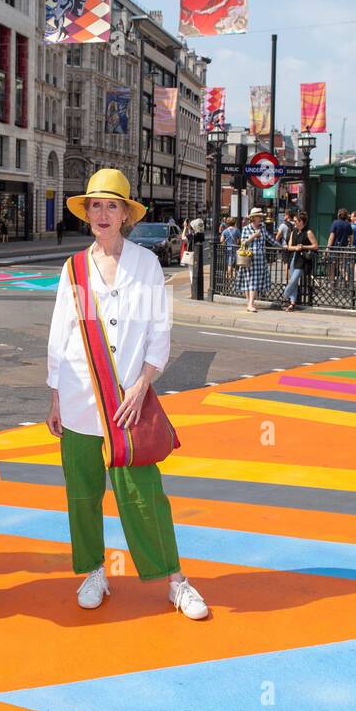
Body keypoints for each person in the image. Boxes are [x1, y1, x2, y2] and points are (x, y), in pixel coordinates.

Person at [46, 169, 209, 621]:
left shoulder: (147, 264)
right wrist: (55, 395)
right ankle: (94, 570)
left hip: (126, 403)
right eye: (94, 205)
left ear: (125, 215)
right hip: (79, 397)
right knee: (81, 492)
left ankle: (175, 580)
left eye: (111, 205)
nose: (102, 214)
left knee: (143, 493)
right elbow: (60, 333)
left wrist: (143, 383)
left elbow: (160, 331)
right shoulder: (73, 268)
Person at [282, 211, 318, 311]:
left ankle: (284, 296)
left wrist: (303, 246)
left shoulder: (308, 232)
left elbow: (315, 246)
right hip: (293, 258)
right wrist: (295, 248)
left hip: (302, 260)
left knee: (293, 280)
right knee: (293, 282)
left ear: (301, 221)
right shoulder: (293, 231)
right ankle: (292, 303)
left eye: (295, 221)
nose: (294, 223)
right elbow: (289, 247)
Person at [236, 207, 268, 312]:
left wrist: (282, 246)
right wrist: (254, 236)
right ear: (254, 218)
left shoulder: (263, 227)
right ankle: (249, 304)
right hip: (249, 258)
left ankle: (250, 304)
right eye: (259, 216)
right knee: (249, 281)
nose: (261, 218)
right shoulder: (246, 228)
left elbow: (270, 238)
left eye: (261, 216)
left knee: (253, 281)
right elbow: (243, 243)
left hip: (260, 259)